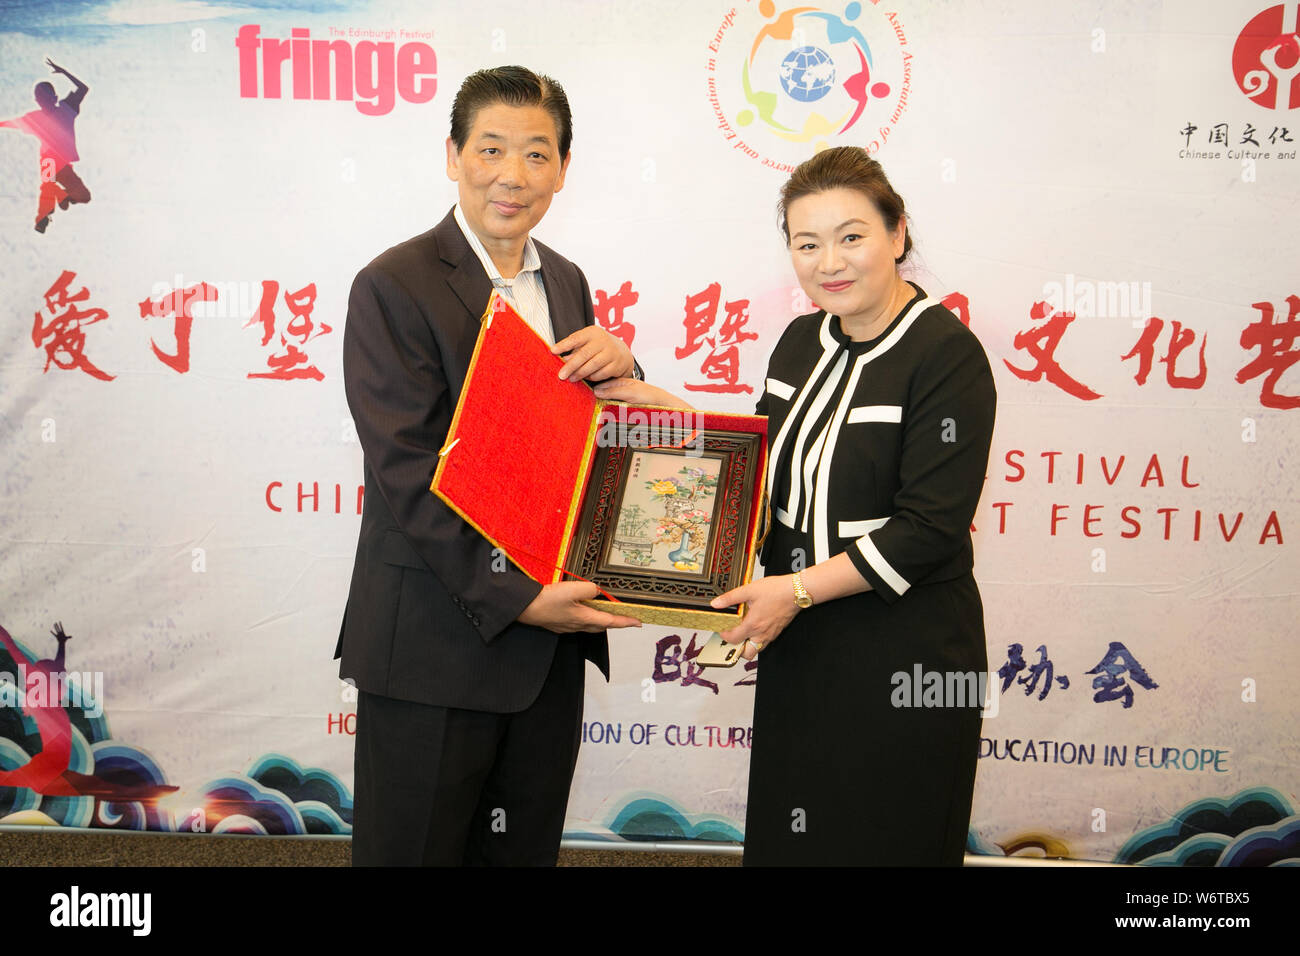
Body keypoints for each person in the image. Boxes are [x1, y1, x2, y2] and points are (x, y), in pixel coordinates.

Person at [594, 146, 996, 865]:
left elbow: (928, 529)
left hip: (905, 654)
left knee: (884, 840)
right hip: (802, 644)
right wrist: (661, 406)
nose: (829, 262)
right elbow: (764, 474)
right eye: (806, 244)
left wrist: (797, 590)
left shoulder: (946, 355)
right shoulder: (800, 342)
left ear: (898, 234)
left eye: (852, 236)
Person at [337, 65, 642, 867]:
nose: (513, 175)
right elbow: (407, 471)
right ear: (452, 155)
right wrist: (521, 595)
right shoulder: (393, 285)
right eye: (492, 149)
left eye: (538, 155)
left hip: (546, 651)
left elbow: (572, 440)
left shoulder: (566, 281)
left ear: (564, 170)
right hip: (436, 644)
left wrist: (622, 366)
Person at [0, 58, 92, 233]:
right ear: (37, 101)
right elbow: (12, 123)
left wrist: (64, 71)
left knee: (84, 197)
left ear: (55, 98)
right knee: (47, 187)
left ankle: (62, 195)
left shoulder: (67, 108)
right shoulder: (35, 118)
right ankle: (42, 219)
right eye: (39, 99)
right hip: (48, 160)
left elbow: (84, 89)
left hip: (63, 164)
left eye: (45, 98)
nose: (42, 103)